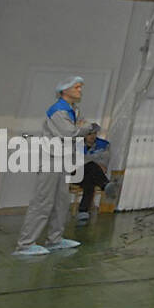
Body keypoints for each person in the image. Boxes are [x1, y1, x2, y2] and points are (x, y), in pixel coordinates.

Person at [13, 76, 96, 257]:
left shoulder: (73, 109)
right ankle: (25, 244)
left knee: (61, 201)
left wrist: (81, 128)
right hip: (51, 159)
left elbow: (76, 130)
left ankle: (55, 239)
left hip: (63, 158)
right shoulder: (58, 110)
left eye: (81, 87)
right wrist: (85, 127)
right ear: (64, 90)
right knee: (43, 201)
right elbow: (70, 132)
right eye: (77, 87)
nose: (80, 90)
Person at [75, 129, 112, 223]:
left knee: (90, 179)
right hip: (75, 174)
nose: (92, 136)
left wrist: (92, 162)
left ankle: (83, 211)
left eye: (94, 133)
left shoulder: (102, 146)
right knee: (91, 166)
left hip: (90, 175)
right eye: (89, 134)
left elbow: (104, 162)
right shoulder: (76, 144)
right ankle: (105, 184)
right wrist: (94, 162)